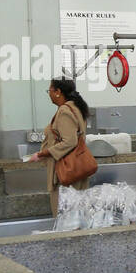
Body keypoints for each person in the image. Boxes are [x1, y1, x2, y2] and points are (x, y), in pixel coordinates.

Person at [27, 78, 91, 215]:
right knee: (76, 215)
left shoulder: (65, 111)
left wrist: (42, 154)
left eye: (49, 90)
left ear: (58, 92)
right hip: (76, 168)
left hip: (66, 171)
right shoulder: (77, 108)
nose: (49, 94)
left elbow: (70, 141)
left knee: (65, 216)